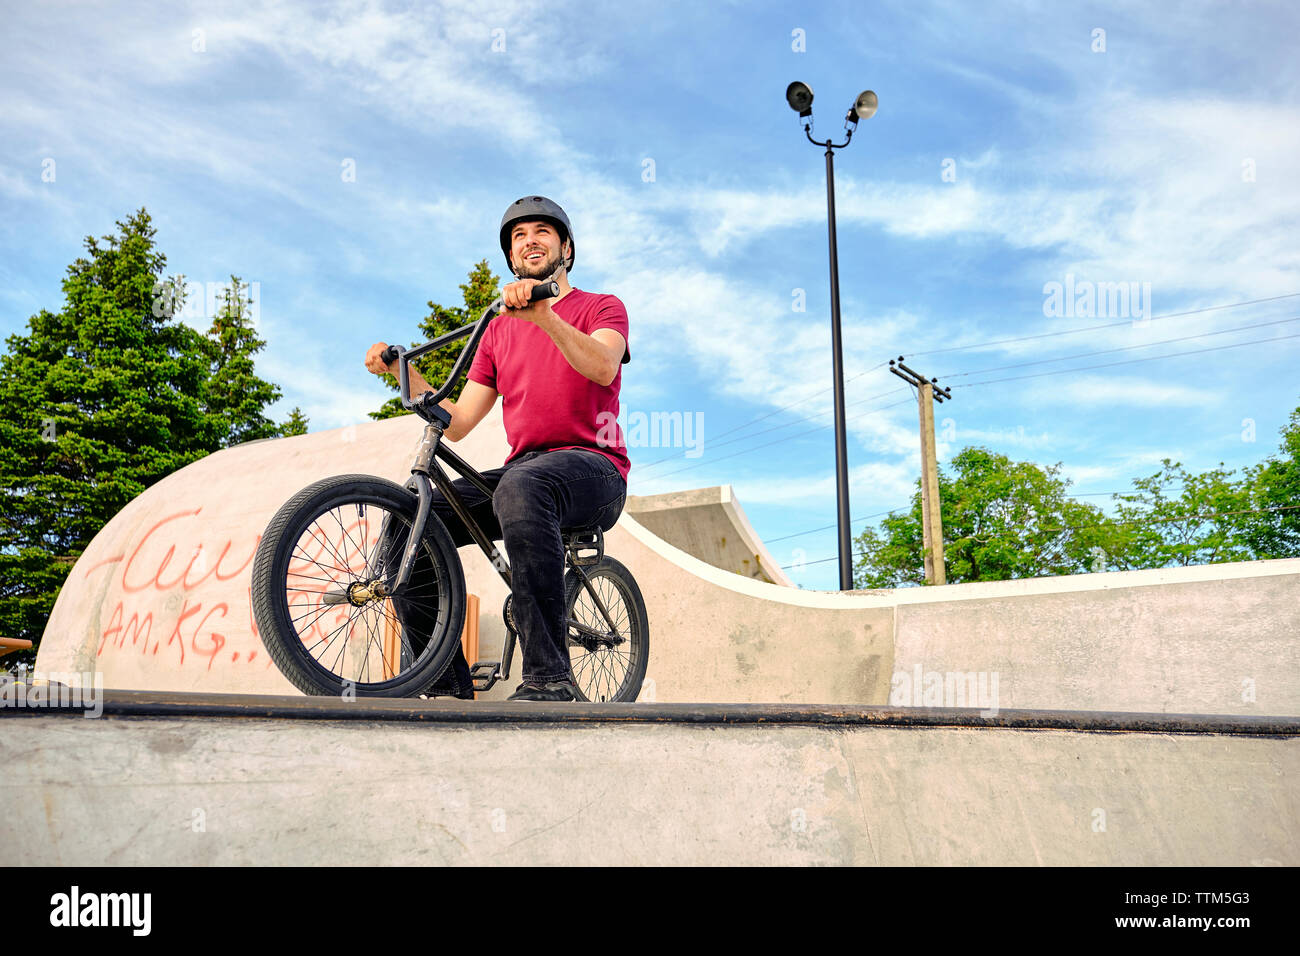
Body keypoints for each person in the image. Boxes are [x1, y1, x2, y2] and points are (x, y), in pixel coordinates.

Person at [363, 196, 631, 701]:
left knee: (522, 486)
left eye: (542, 232)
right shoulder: (497, 332)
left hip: (595, 469)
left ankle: (551, 681)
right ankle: (442, 681)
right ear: (511, 258)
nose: (529, 240)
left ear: (566, 248)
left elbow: (603, 366)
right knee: (413, 519)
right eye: (518, 236)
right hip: (524, 474)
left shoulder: (601, 306)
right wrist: (403, 370)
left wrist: (545, 317)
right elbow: (459, 421)